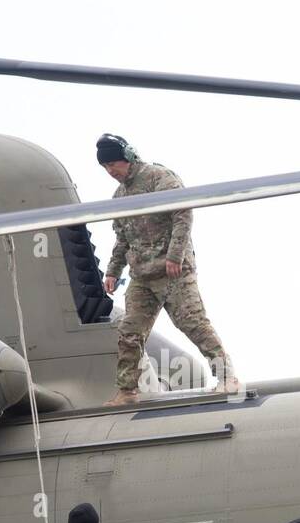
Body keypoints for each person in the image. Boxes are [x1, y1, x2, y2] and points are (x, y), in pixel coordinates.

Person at [96, 134, 239, 406]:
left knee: (193, 323)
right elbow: (122, 238)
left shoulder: (157, 178)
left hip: (173, 272)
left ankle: (227, 378)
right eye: (105, 167)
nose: (111, 171)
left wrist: (175, 255)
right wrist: (113, 271)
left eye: (113, 163)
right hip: (141, 277)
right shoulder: (119, 196)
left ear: (127, 156)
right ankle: (127, 391)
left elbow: (182, 211)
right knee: (129, 333)